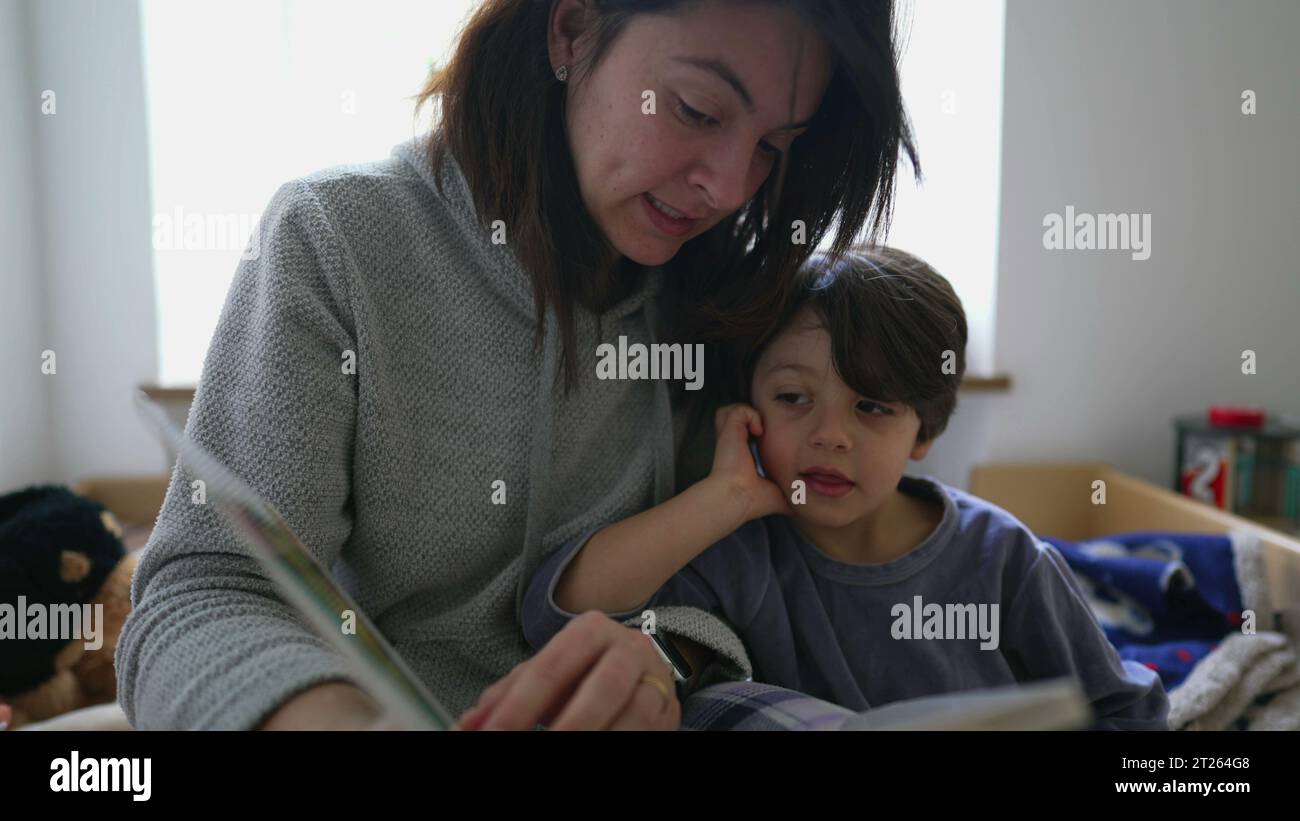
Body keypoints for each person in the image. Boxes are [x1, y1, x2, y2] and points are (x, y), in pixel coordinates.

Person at [115, 0, 919, 730]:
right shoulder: (337, 240)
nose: (728, 187)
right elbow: (204, 594)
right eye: (696, 110)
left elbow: (744, 581)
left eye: (772, 151)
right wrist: (330, 715)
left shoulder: (731, 295)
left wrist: (667, 664)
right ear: (570, 30)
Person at [523, 246, 1170, 730]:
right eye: (793, 397)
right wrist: (722, 498)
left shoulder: (1003, 557)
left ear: (925, 430)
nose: (829, 434)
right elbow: (560, 612)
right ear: (748, 407)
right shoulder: (744, 554)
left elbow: (1128, 710)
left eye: (873, 407)